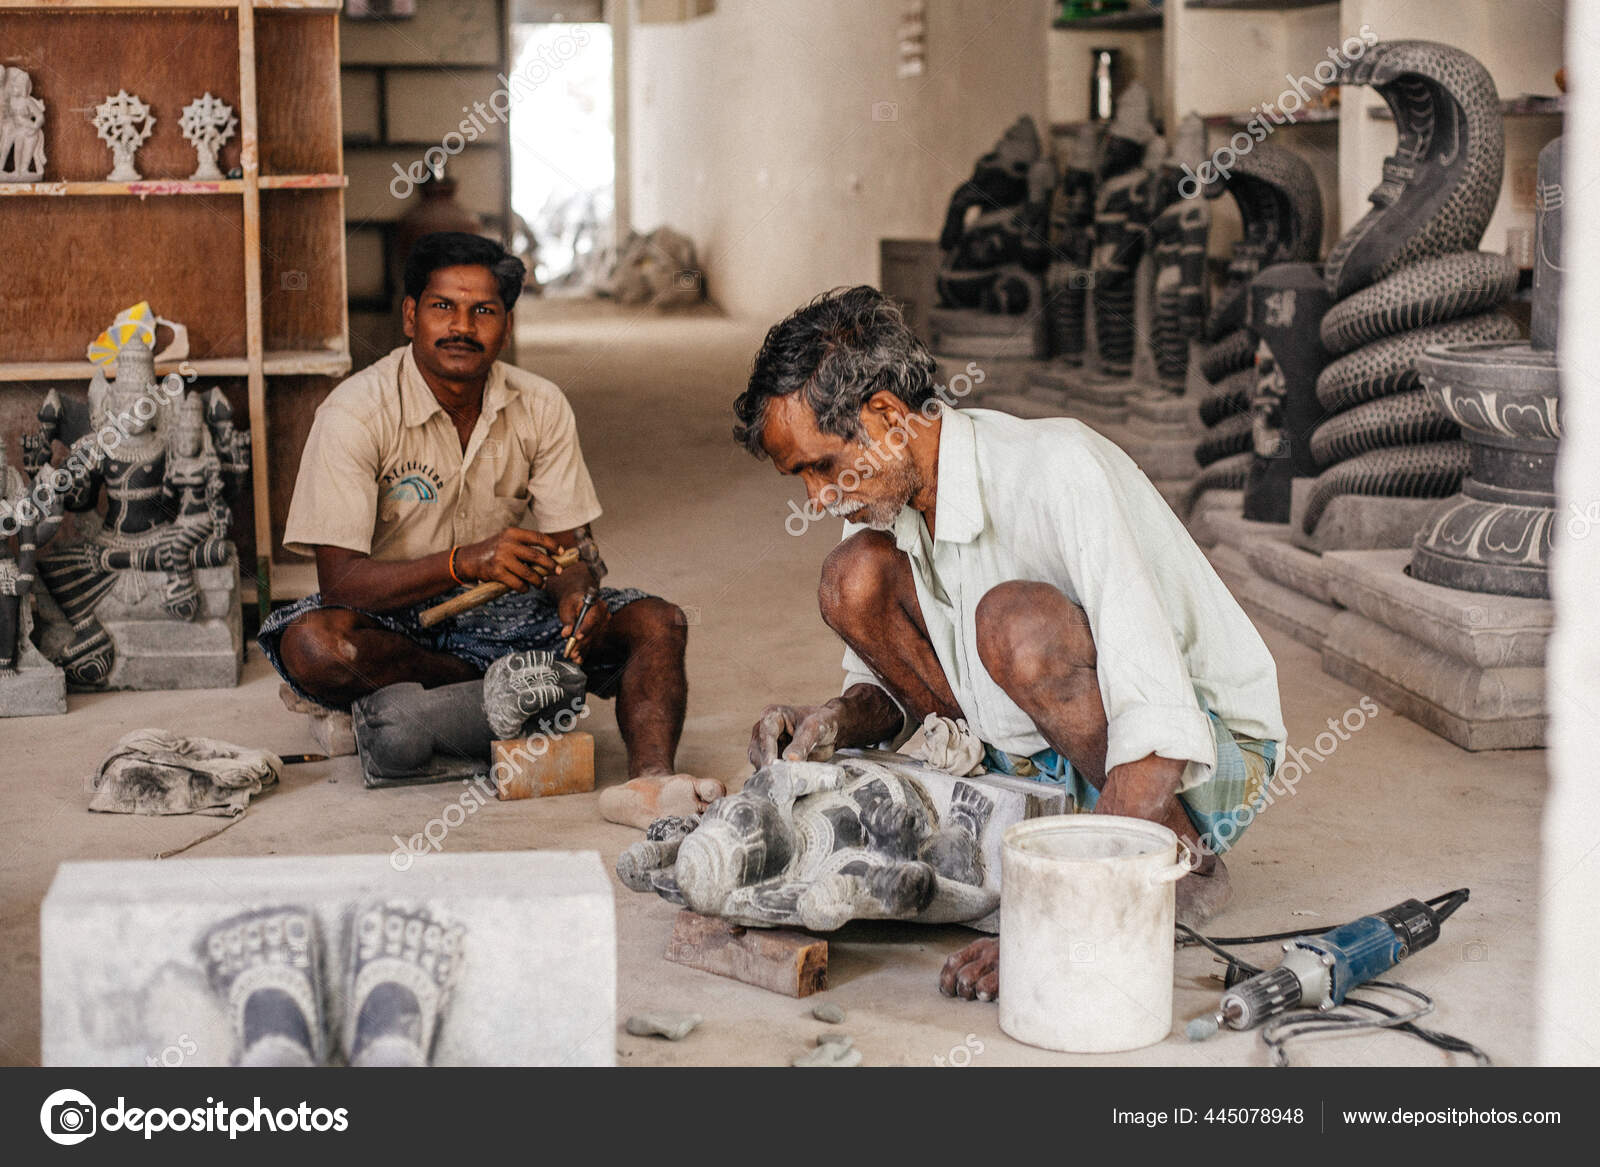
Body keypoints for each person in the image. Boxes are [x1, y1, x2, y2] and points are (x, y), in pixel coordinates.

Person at [733, 286, 1285, 1002]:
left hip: (1197, 755)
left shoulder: (1057, 469)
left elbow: (1159, 724)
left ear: (886, 418)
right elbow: (889, 699)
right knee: (852, 576)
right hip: (1051, 746)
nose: (816, 497)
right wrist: (828, 719)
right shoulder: (882, 491)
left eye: (820, 466)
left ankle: (1181, 859)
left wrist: (1062, 912)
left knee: (1012, 624)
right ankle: (1036, 809)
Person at [260, 232, 720, 827]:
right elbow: (343, 581)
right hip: (391, 615)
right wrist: (463, 563)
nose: (461, 326)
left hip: (505, 614)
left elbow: (568, 550)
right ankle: (510, 697)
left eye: (483, 311)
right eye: (442, 307)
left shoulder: (542, 404)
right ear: (409, 316)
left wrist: (575, 594)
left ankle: (650, 783)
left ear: (506, 326)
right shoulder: (354, 412)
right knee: (317, 645)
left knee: (659, 623)